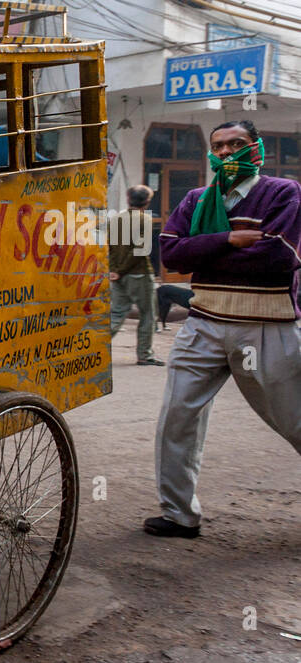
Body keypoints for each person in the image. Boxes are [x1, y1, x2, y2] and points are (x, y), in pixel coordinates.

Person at [145, 120, 301, 539]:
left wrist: (205, 250)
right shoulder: (197, 198)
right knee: (178, 418)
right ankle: (178, 515)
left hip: (267, 328)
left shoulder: (283, 192)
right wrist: (230, 241)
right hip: (204, 324)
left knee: (295, 421)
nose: (228, 151)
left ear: (256, 148)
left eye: (238, 143)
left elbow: (278, 256)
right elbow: (171, 255)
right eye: (219, 145)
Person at [108, 185, 162, 365]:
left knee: (116, 315)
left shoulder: (116, 218)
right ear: (147, 202)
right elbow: (140, 251)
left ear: (128, 197)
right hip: (139, 275)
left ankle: (93, 349)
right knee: (148, 315)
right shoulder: (144, 220)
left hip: (118, 275)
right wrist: (121, 270)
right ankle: (145, 355)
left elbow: (110, 248)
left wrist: (115, 271)